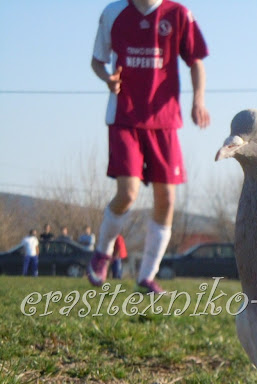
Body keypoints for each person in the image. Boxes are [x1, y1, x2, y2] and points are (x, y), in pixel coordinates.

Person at [87, 0, 210, 295]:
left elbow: (196, 62)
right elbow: (96, 60)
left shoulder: (179, 15)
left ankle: (146, 276)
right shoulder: (113, 13)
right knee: (127, 193)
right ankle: (102, 252)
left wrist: (198, 101)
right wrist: (108, 79)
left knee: (166, 198)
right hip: (124, 117)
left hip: (164, 121)